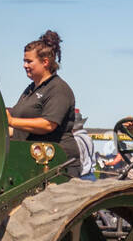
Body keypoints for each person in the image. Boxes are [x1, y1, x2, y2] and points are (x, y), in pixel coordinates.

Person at [7, 31, 80, 178]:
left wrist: (12, 121)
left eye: (29, 61)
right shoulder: (30, 90)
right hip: (32, 160)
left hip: (57, 163)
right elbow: (19, 129)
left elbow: (48, 125)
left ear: (45, 62)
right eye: (24, 61)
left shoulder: (58, 88)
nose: (24, 65)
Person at [72, 109, 96, 179]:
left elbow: (80, 161)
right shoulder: (88, 138)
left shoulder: (76, 139)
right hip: (91, 174)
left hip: (83, 175)